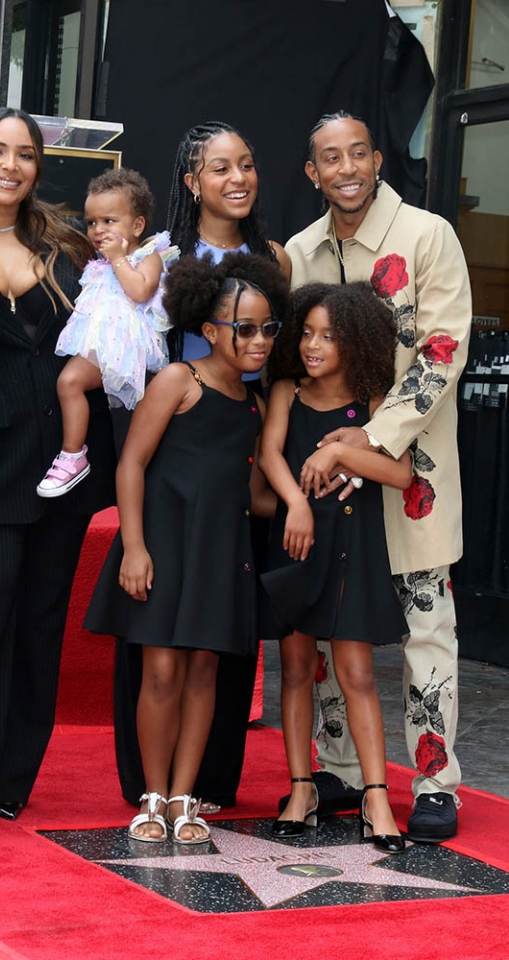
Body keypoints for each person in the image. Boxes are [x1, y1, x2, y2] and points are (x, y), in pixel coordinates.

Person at [0, 107, 116, 839]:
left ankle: (10, 781)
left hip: (63, 465)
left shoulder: (65, 245)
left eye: (26, 154)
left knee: (39, 629)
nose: (11, 165)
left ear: (39, 166)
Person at [284, 111, 472, 842]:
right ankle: (333, 769)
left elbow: (443, 350)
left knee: (427, 627)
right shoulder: (301, 252)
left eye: (357, 152)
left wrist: (372, 438)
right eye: (330, 157)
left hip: (409, 471)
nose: (347, 168)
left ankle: (434, 781)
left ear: (377, 158)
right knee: (333, 630)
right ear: (314, 172)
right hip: (327, 476)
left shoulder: (428, 236)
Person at [114, 120, 291, 813]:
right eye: (220, 168)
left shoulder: (273, 256)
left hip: (241, 458)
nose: (237, 178)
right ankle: (152, 791)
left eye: (246, 164)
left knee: (217, 654)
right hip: (179, 455)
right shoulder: (167, 254)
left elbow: (278, 360)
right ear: (192, 182)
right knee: (160, 654)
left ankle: (202, 789)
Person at [86, 252, 285, 842]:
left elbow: (253, 494)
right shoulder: (180, 380)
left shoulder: (255, 406)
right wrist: (135, 548)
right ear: (209, 330)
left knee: (204, 672)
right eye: (244, 328)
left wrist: (311, 503)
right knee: (163, 670)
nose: (259, 340)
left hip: (221, 555)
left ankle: (183, 798)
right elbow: (131, 463)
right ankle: (150, 794)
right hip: (165, 547)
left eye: (268, 328)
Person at [260, 282, 411, 853]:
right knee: (296, 669)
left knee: (357, 675)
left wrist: (342, 452)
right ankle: (302, 789)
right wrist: (296, 503)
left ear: (358, 342)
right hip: (297, 541)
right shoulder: (286, 390)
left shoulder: (372, 400)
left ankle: (376, 797)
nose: (313, 346)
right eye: (307, 333)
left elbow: (399, 476)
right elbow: (273, 453)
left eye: (329, 336)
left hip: (352, 546)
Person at [37, 168, 178, 497]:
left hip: (129, 348)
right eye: (91, 222)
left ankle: (74, 455)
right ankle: (75, 455)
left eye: (109, 221)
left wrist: (118, 259)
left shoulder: (150, 255)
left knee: (72, 384)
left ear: (138, 225)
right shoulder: (98, 262)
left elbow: (141, 291)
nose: (98, 230)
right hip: (105, 347)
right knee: (73, 386)